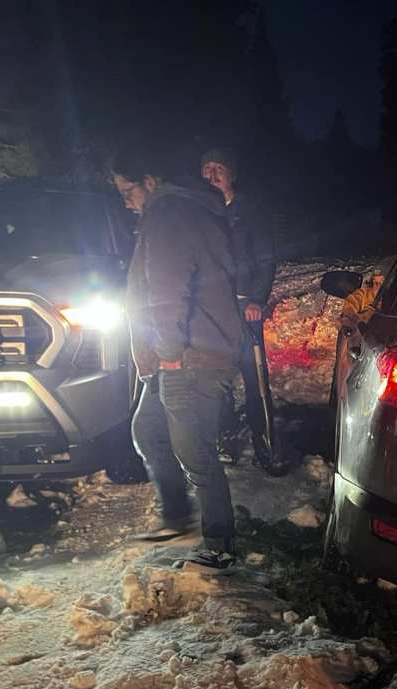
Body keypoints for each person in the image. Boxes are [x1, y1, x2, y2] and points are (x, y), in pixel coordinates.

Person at [111, 150, 245, 573]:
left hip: (190, 355)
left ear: (149, 180)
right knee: (149, 430)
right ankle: (177, 515)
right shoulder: (175, 213)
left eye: (127, 190)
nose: (125, 201)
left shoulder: (169, 215)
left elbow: (168, 290)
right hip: (175, 354)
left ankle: (220, 543)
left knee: (195, 450)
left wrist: (167, 353)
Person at [199, 147, 283, 473]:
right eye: (206, 169)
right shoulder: (200, 214)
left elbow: (265, 259)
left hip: (244, 304)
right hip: (212, 309)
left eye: (218, 168)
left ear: (231, 173)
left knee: (254, 377)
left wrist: (257, 299)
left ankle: (266, 444)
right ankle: (225, 438)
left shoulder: (250, 211)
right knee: (216, 376)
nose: (212, 175)